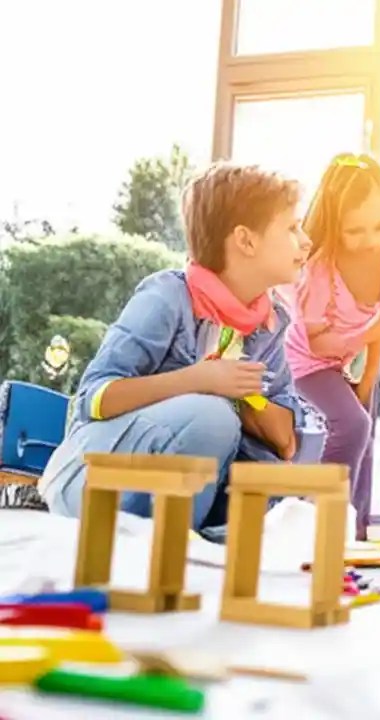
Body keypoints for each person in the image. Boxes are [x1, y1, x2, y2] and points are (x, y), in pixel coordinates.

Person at [38, 162, 311, 529]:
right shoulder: (168, 296)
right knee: (211, 417)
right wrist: (199, 379)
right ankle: (158, 551)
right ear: (246, 240)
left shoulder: (270, 322)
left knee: (277, 487)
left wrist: (240, 391)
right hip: (92, 480)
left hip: (190, 495)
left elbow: (285, 440)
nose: (306, 240)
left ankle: (187, 546)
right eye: (293, 227)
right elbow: (94, 397)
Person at [285, 153, 380, 541]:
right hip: (303, 359)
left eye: (379, 225)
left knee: (364, 432)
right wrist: (355, 349)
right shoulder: (317, 267)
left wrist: (368, 378)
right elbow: (314, 342)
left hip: (341, 360)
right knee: (351, 424)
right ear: (335, 224)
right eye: (355, 230)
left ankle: (358, 532)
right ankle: (323, 527)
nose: (370, 240)